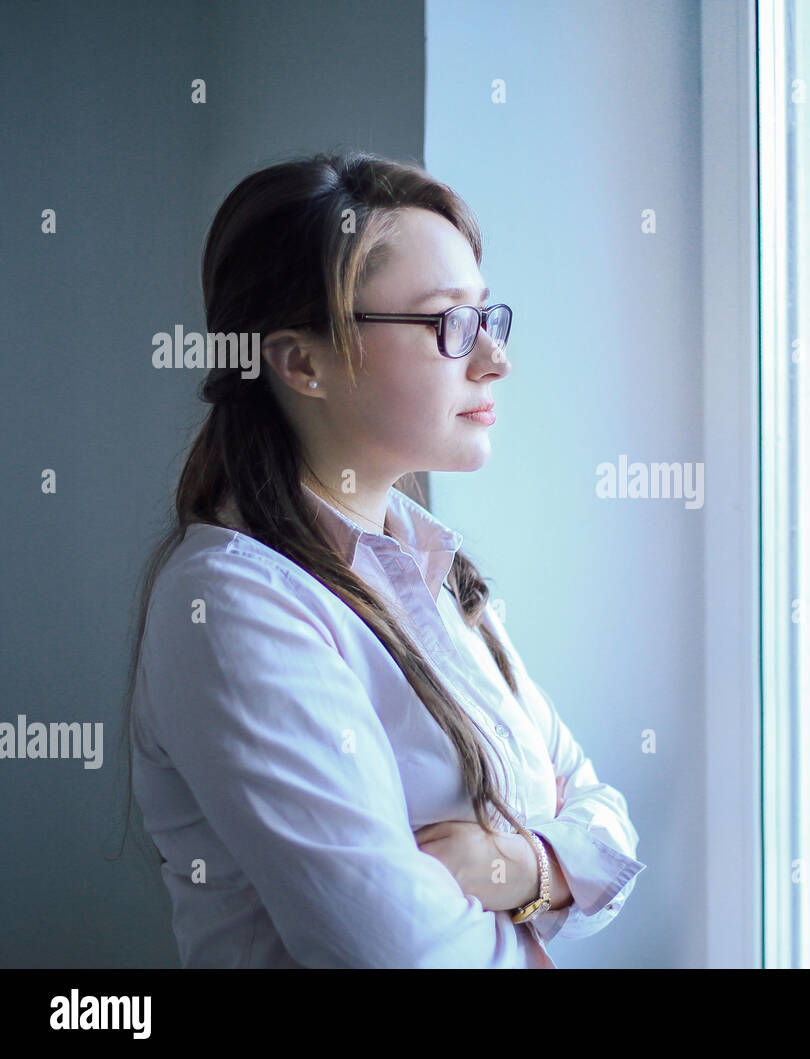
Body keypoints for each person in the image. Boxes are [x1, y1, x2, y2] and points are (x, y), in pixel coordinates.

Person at [121, 151, 645, 968]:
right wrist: (551, 871)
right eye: (448, 324)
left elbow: (605, 817)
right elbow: (401, 952)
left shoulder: (430, 564)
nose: (494, 359)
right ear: (302, 362)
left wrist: (520, 866)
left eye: (487, 317)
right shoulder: (231, 605)